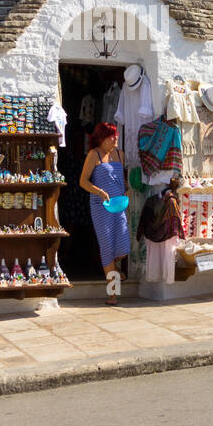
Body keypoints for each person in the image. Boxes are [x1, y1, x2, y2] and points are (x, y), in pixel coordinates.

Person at [80, 122, 130, 304]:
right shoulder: (94, 155)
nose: (115, 138)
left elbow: (122, 179)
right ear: (101, 138)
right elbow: (83, 181)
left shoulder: (119, 154)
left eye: (116, 135)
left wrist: (126, 189)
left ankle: (115, 268)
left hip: (119, 206)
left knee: (124, 247)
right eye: (111, 136)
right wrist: (99, 192)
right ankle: (113, 294)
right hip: (101, 207)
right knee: (107, 247)